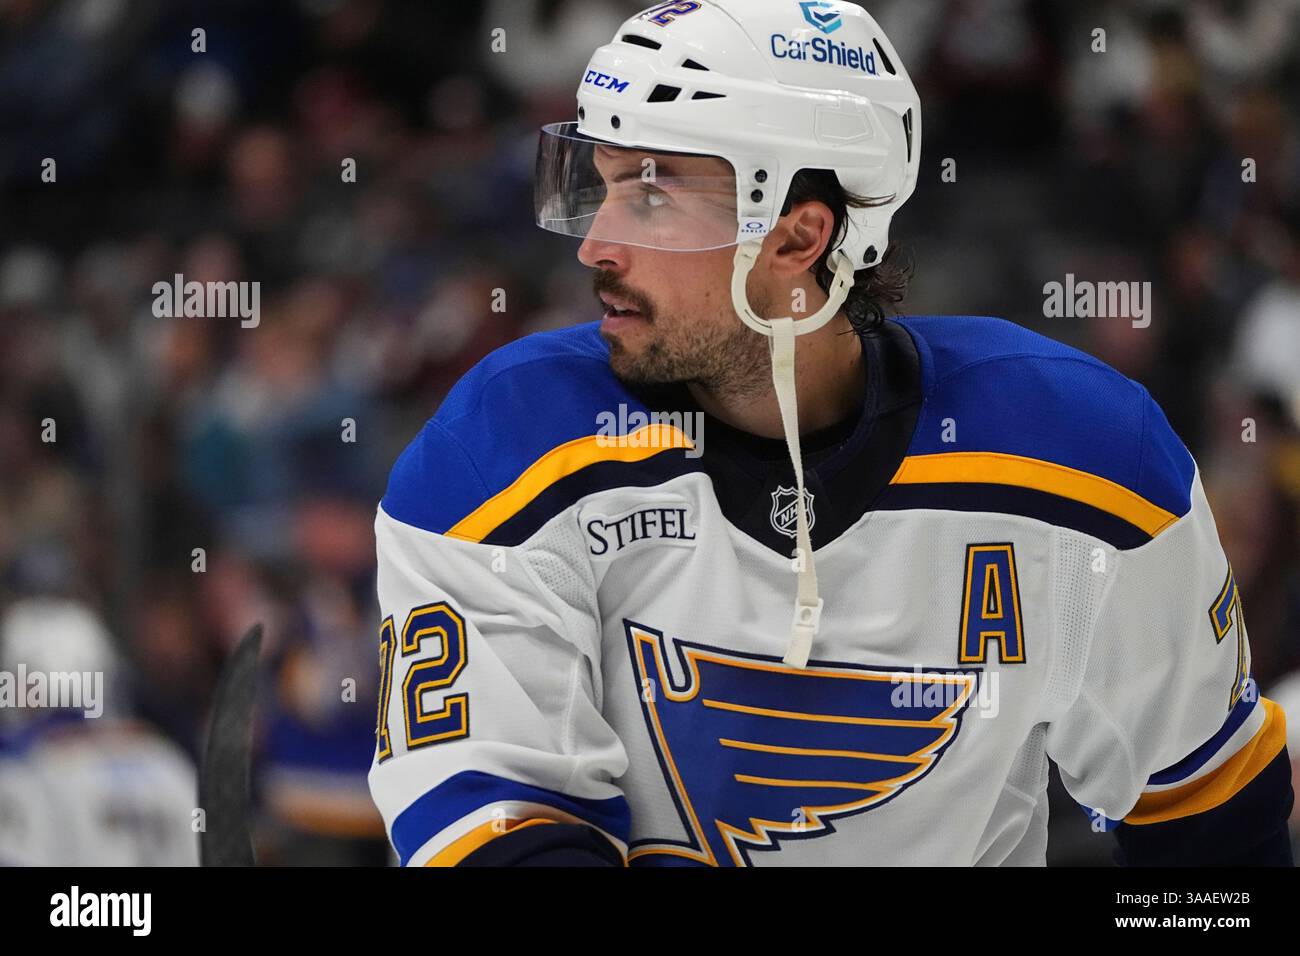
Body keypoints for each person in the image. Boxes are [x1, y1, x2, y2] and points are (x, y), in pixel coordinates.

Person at [367, 0, 1293, 866]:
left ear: (799, 237)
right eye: (599, 187)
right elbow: (497, 833)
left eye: (648, 197)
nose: (595, 245)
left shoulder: (1090, 460)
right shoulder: (501, 449)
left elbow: (1210, 832)